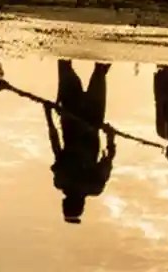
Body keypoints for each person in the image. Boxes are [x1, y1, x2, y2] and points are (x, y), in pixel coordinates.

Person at [47, 60, 115, 224]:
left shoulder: (94, 186)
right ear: (65, 203)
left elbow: (109, 157)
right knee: (65, 66)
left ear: (82, 205)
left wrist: (110, 136)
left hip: (92, 121)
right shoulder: (62, 180)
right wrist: (48, 115)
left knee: (99, 71)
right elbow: (55, 145)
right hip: (71, 118)